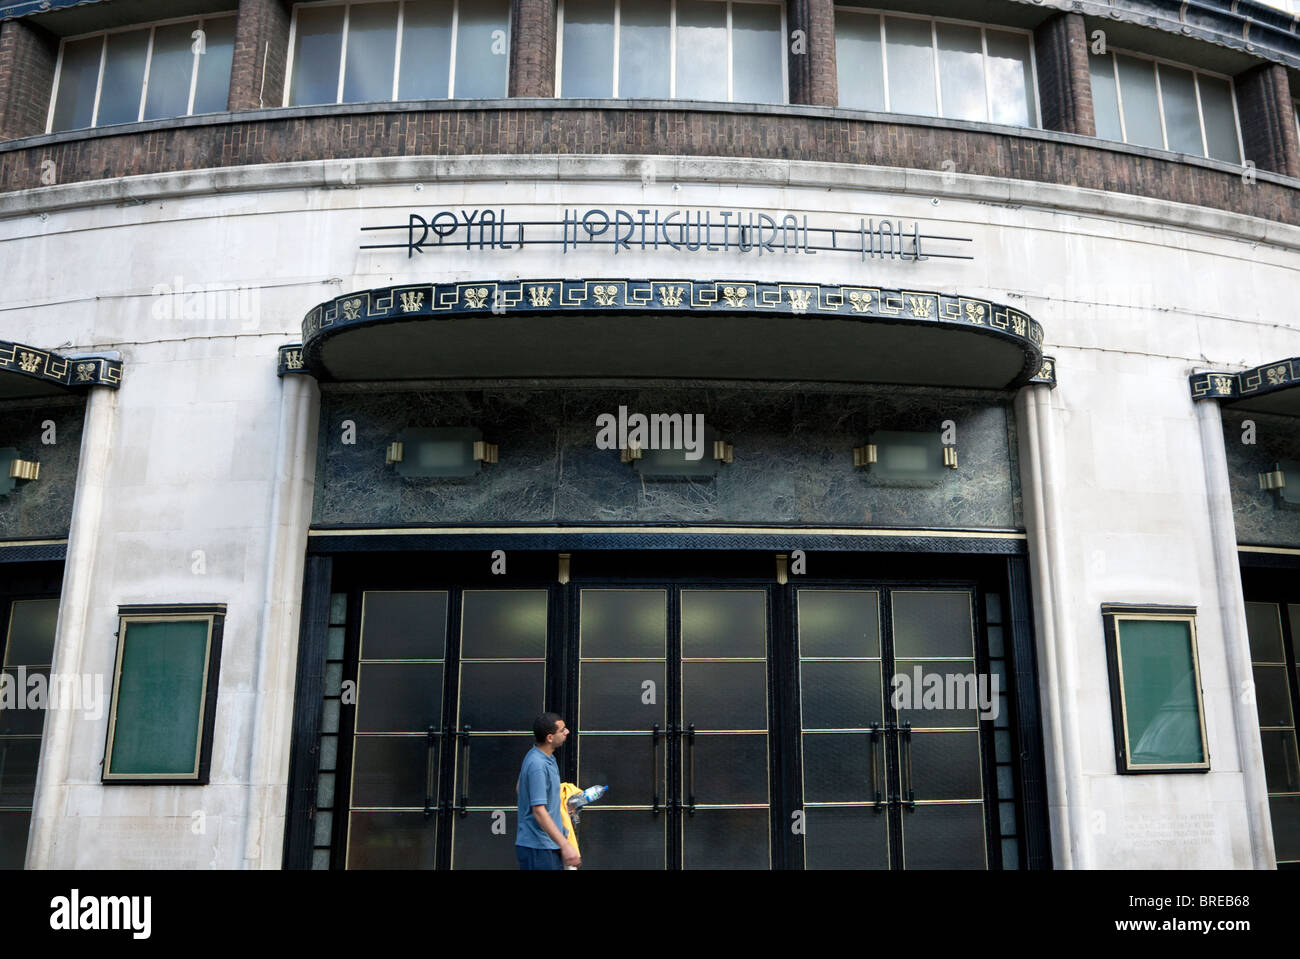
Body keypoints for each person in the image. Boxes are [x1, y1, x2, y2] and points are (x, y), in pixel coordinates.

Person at [515, 712, 581, 870]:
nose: (567, 732)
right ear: (550, 738)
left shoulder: (544, 757)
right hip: (539, 847)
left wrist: (557, 807)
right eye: (562, 730)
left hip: (545, 845)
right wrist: (565, 845)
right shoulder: (538, 764)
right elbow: (538, 810)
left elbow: (519, 787)